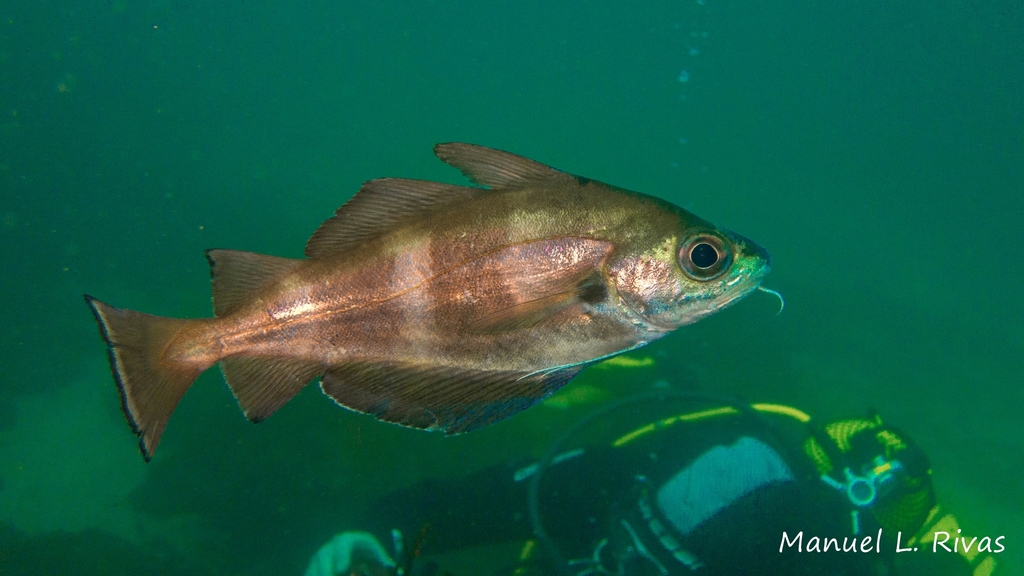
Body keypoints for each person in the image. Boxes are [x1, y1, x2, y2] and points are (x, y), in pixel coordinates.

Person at [304, 393, 999, 576]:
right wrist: (384, 529)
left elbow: (527, 493)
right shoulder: (642, 471)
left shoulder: (816, 540)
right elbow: (530, 493)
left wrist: (390, 525)